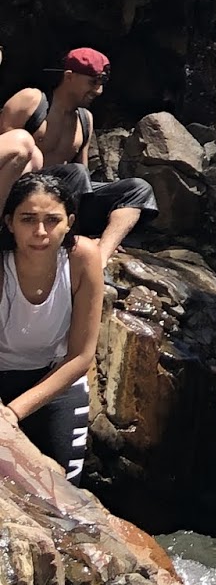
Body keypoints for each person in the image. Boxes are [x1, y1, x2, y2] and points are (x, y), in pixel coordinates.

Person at [0, 48, 158, 266]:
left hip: (63, 202)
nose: (99, 90)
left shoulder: (86, 119)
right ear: (69, 76)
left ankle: (98, 257)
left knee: (138, 189)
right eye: (93, 82)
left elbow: (83, 179)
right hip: (20, 194)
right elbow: (6, 155)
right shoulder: (32, 100)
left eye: (101, 83)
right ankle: (65, 243)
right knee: (75, 173)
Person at [0, 173, 103, 482]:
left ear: (69, 222)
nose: (41, 231)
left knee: (66, 490)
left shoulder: (83, 258)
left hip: (55, 379)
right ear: (9, 223)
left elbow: (81, 357)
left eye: (52, 220)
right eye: (28, 219)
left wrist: (14, 412)